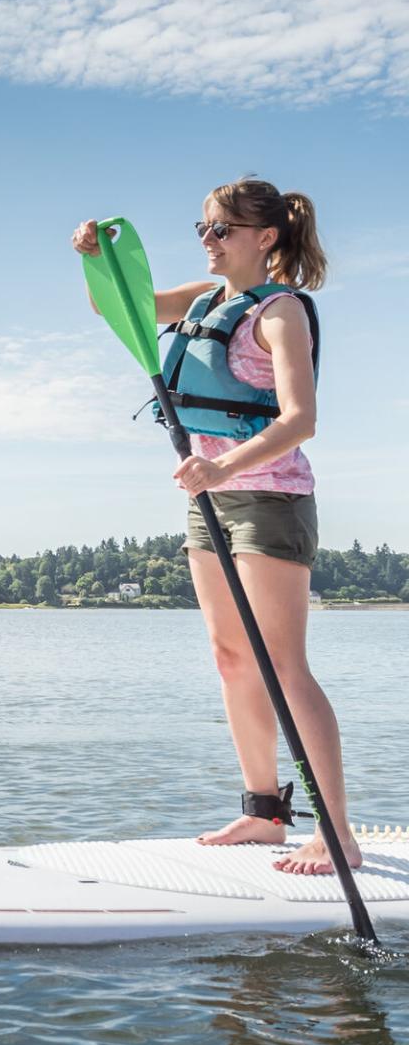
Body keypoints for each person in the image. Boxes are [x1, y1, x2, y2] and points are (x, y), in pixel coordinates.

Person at [72, 179, 360, 876]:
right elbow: (117, 306)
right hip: (209, 501)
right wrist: (92, 258)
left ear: (265, 238)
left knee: (284, 667)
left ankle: (337, 833)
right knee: (232, 660)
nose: (209, 240)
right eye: (203, 228)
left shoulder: (280, 311)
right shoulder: (202, 302)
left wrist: (222, 468)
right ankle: (264, 815)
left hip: (269, 501)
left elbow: (301, 419)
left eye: (223, 229)